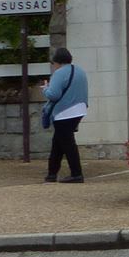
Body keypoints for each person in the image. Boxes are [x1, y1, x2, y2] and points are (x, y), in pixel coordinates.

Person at [40, 47, 88, 184]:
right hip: (80, 109)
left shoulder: (59, 73)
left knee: (67, 144)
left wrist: (45, 89)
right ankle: (51, 173)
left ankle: (77, 174)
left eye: (53, 63)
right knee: (58, 142)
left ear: (57, 62)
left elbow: (54, 95)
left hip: (64, 112)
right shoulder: (80, 71)